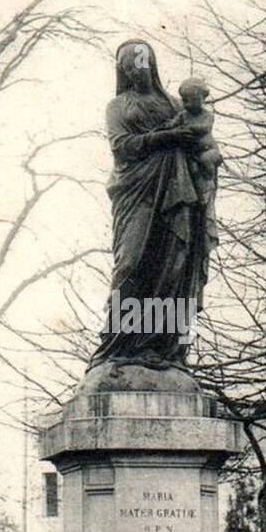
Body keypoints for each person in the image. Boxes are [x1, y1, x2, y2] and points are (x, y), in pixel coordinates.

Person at [88, 40, 219, 370]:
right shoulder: (118, 106)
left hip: (177, 191)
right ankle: (119, 345)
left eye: (144, 60)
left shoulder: (175, 104)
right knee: (131, 263)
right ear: (124, 70)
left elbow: (201, 138)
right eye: (132, 63)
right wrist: (165, 137)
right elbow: (121, 146)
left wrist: (208, 158)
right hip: (137, 191)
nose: (139, 68)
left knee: (174, 264)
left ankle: (162, 346)